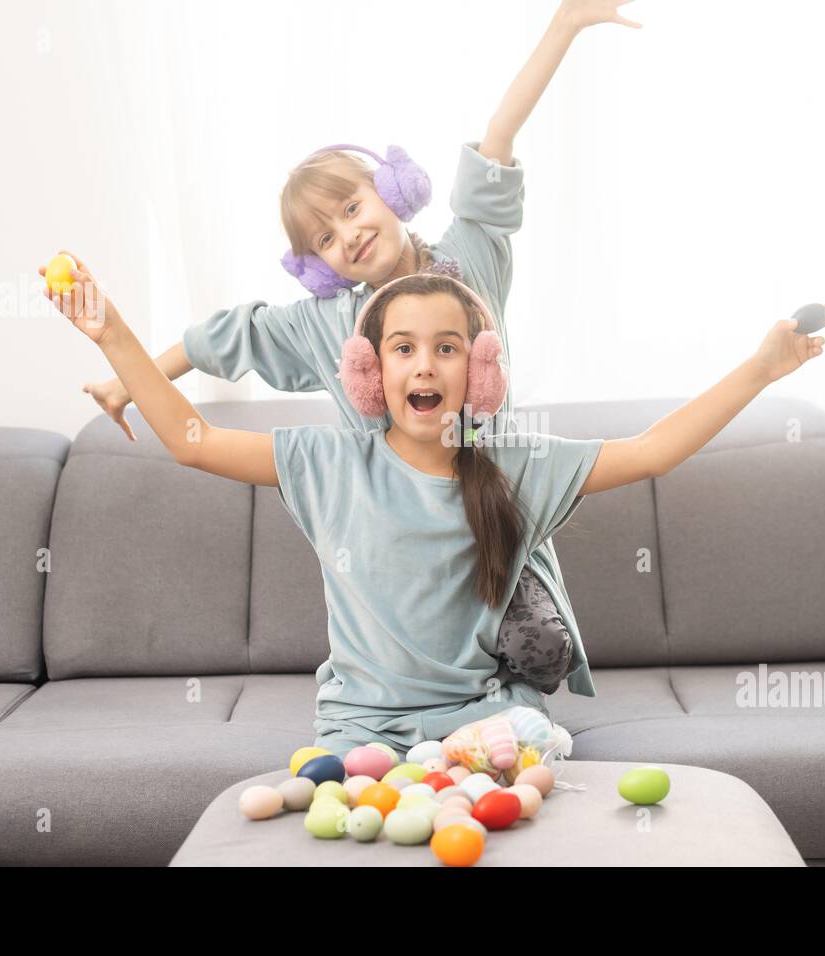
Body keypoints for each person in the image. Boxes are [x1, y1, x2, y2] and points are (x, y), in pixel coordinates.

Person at [49, 0, 645, 699]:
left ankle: (499, 713)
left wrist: (564, 26)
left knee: (541, 646)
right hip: (395, 530)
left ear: (390, 192)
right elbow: (221, 338)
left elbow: (498, 135)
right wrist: (128, 377)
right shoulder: (325, 324)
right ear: (322, 267)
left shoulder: (472, 257)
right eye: (326, 239)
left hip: (488, 509)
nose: (349, 234)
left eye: (353, 208)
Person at [44, 265, 825, 758]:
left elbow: (654, 448)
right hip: (365, 730)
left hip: (485, 720)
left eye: (447, 347)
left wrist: (762, 369)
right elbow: (190, 438)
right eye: (404, 348)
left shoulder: (519, 464)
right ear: (370, 370)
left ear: (478, 370)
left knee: (510, 763)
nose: (425, 364)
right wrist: (113, 336)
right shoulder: (325, 463)